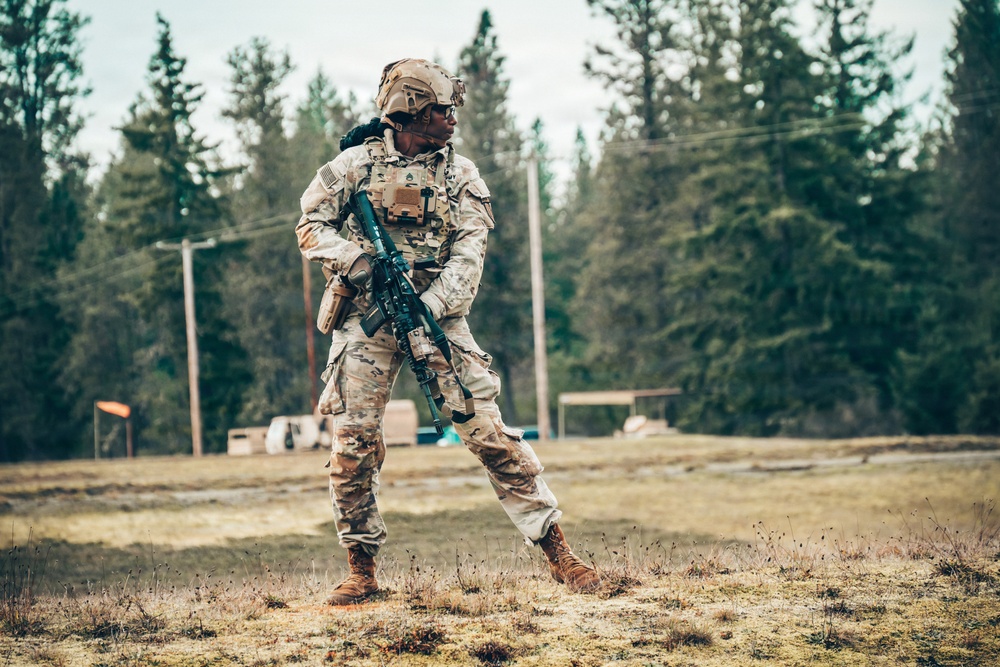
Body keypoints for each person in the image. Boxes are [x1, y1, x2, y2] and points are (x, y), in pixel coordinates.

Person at [295, 58, 600, 605]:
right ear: (410, 110)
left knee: (489, 434)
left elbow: (468, 261)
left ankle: (562, 556)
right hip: (365, 321)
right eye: (441, 109)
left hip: (438, 319)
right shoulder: (352, 167)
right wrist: (358, 261)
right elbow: (310, 228)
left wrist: (425, 310)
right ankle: (360, 571)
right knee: (353, 444)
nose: (452, 118)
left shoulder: (462, 176)